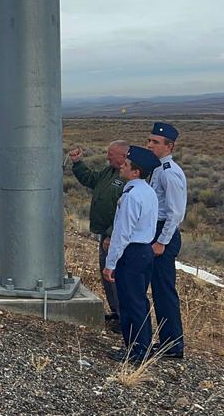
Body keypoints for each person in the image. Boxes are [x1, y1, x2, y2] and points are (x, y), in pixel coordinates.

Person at [103, 146, 160, 364]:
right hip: (144, 251)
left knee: (130, 303)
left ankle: (136, 352)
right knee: (139, 301)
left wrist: (110, 263)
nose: (122, 167)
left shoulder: (131, 195)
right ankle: (141, 346)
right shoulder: (148, 192)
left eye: (126, 165)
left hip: (132, 252)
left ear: (136, 172)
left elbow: (122, 233)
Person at [68, 141, 128, 331]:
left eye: (111, 154)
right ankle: (116, 312)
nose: (107, 157)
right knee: (107, 273)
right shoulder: (109, 171)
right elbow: (91, 179)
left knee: (116, 275)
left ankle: (125, 318)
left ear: (123, 156)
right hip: (105, 234)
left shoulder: (129, 177)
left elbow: (125, 212)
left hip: (116, 236)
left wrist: (111, 234)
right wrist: (78, 163)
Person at [146, 122, 187, 359]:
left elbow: (175, 212)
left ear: (169, 146)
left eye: (155, 142)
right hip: (156, 230)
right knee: (158, 289)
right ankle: (166, 341)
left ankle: (172, 344)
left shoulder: (170, 172)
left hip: (164, 233)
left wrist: (162, 241)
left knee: (164, 291)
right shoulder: (158, 169)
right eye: (149, 140)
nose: (149, 145)